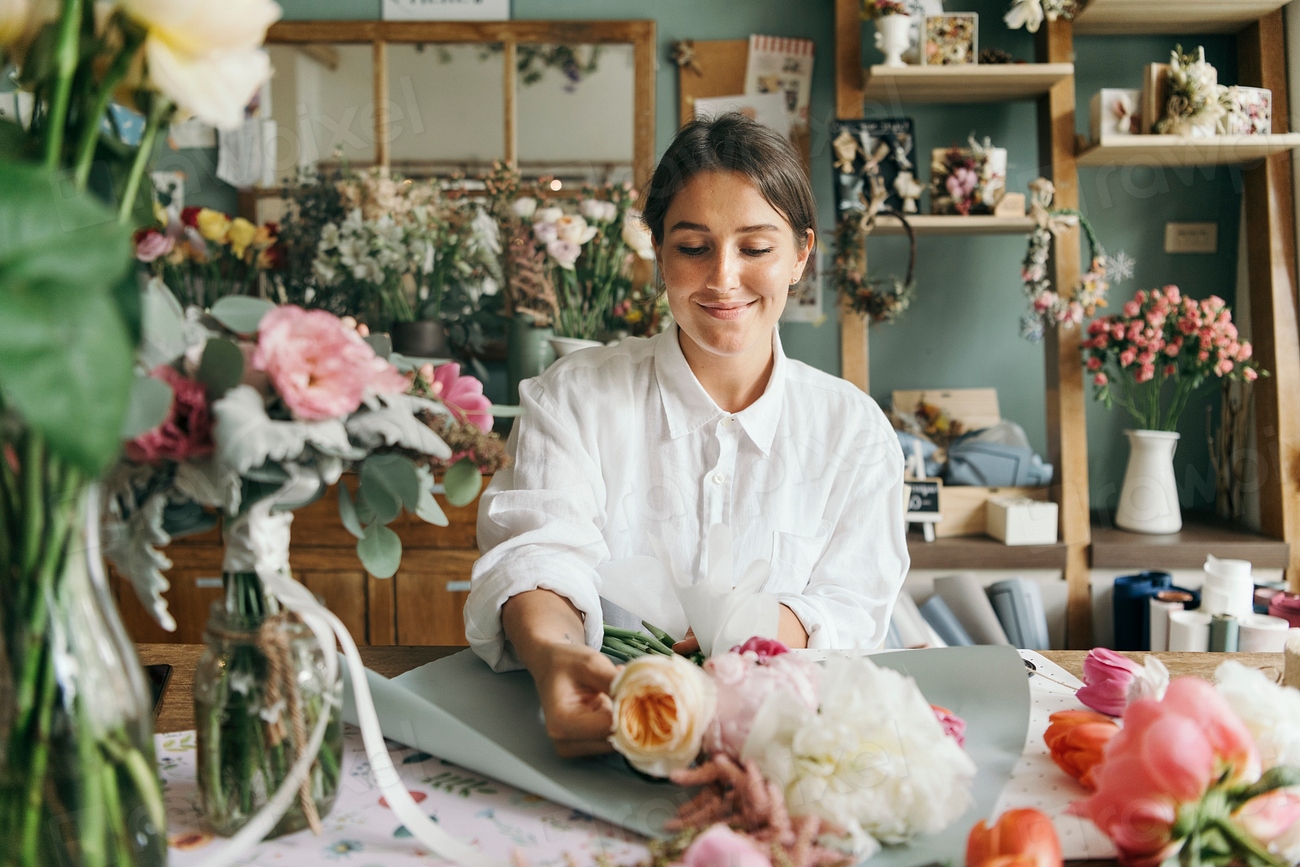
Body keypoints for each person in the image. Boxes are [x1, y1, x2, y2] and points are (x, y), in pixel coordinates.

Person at [464, 113, 908, 757]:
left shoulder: (853, 432)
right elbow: (539, 553)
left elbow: (855, 603)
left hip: (775, 746)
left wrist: (758, 632)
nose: (724, 279)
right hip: (602, 732)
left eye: (755, 249)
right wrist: (556, 655)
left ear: (801, 256)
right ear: (658, 249)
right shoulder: (574, 397)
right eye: (694, 248)